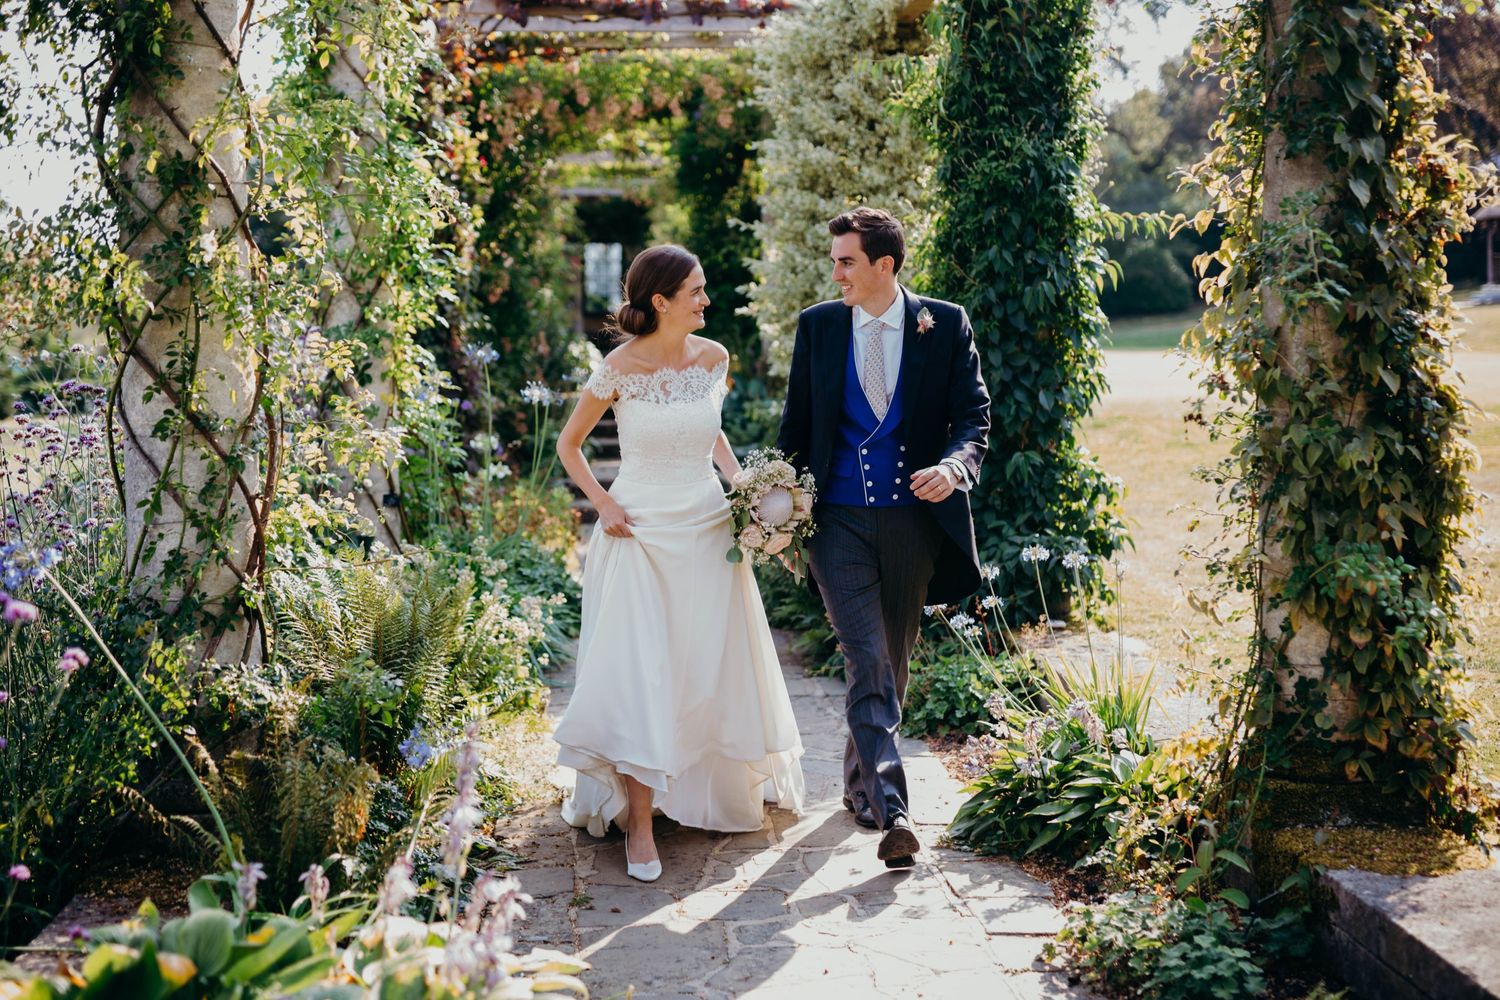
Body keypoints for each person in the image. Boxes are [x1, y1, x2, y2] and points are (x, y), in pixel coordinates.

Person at [552, 245, 806, 883]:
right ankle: (638, 822)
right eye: (695, 290)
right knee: (643, 673)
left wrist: (744, 486)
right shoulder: (617, 366)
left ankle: (695, 789)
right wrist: (603, 503)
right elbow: (569, 444)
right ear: (661, 301)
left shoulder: (714, 357)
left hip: (706, 528)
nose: (706, 300)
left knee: (704, 666)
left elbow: (711, 430)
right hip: (638, 532)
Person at [776, 208, 990, 869]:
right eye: (835, 260)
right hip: (836, 520)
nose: (835, 272)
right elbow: (795, 428)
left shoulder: (943, 324)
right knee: (866, 657)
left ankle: (859, 787)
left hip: (911, 523)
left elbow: (973, 417)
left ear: (883, 266)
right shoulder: (818, 327)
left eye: (846, 261)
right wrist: (779, 512)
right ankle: (895, 810)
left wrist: (954, 468)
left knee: (890, 664)